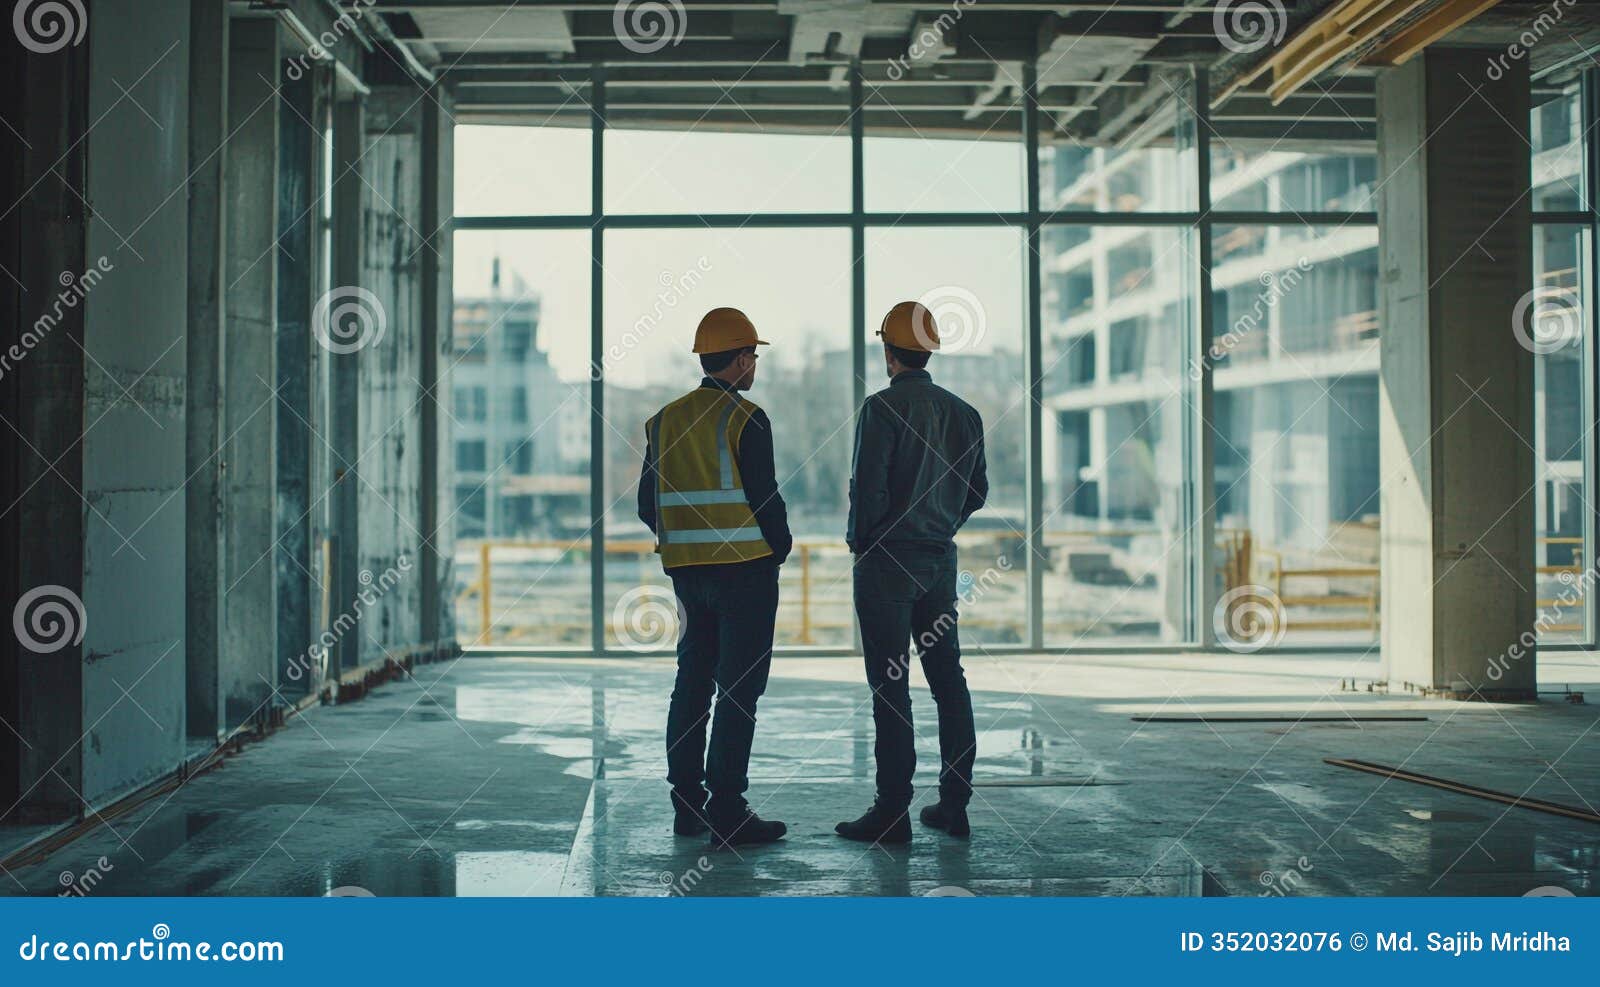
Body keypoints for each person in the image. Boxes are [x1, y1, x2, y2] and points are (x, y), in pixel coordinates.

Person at [637, 307, 792, 849]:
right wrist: (781, 547)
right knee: (739, 689)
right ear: (742, 359)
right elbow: (764, 496)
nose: (755, 365)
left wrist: (686, 539)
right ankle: (728, 808)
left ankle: (687, 806)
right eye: (754, 355)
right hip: (745, 572)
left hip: (687, 574)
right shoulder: (747, 418)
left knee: (692, 683)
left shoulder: (664, 420)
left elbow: (644, 504)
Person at [836, 300, 988, 845]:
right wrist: (941, 523)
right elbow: (978, 492)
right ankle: (954, 804)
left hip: (886, 561)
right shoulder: (964, 413)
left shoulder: (881, 409)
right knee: (948, 678)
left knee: (890, 685)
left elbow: (869, 487)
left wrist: (862, 542)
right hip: (939, 560)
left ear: (888, 350)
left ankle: (891, 812)